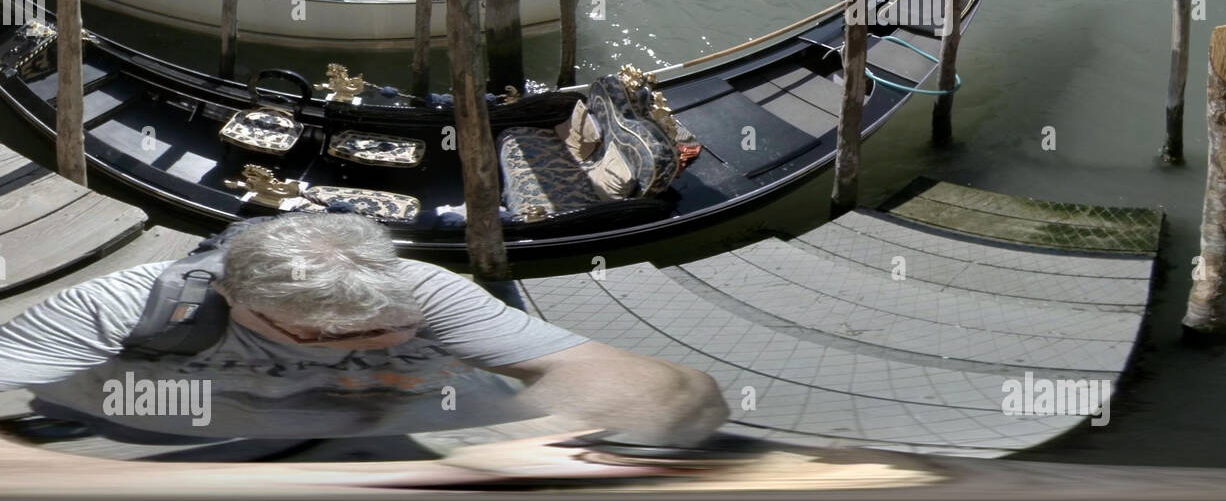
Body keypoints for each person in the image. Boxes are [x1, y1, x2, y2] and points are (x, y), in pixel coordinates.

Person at [0, 213, 730, 479]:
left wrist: (529, 451)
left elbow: (674, 393)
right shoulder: (115, 307)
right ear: (242, 302)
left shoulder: (418, 290)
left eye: (396, 319)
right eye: (344, 335)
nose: (395, 336)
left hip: (381, 444)